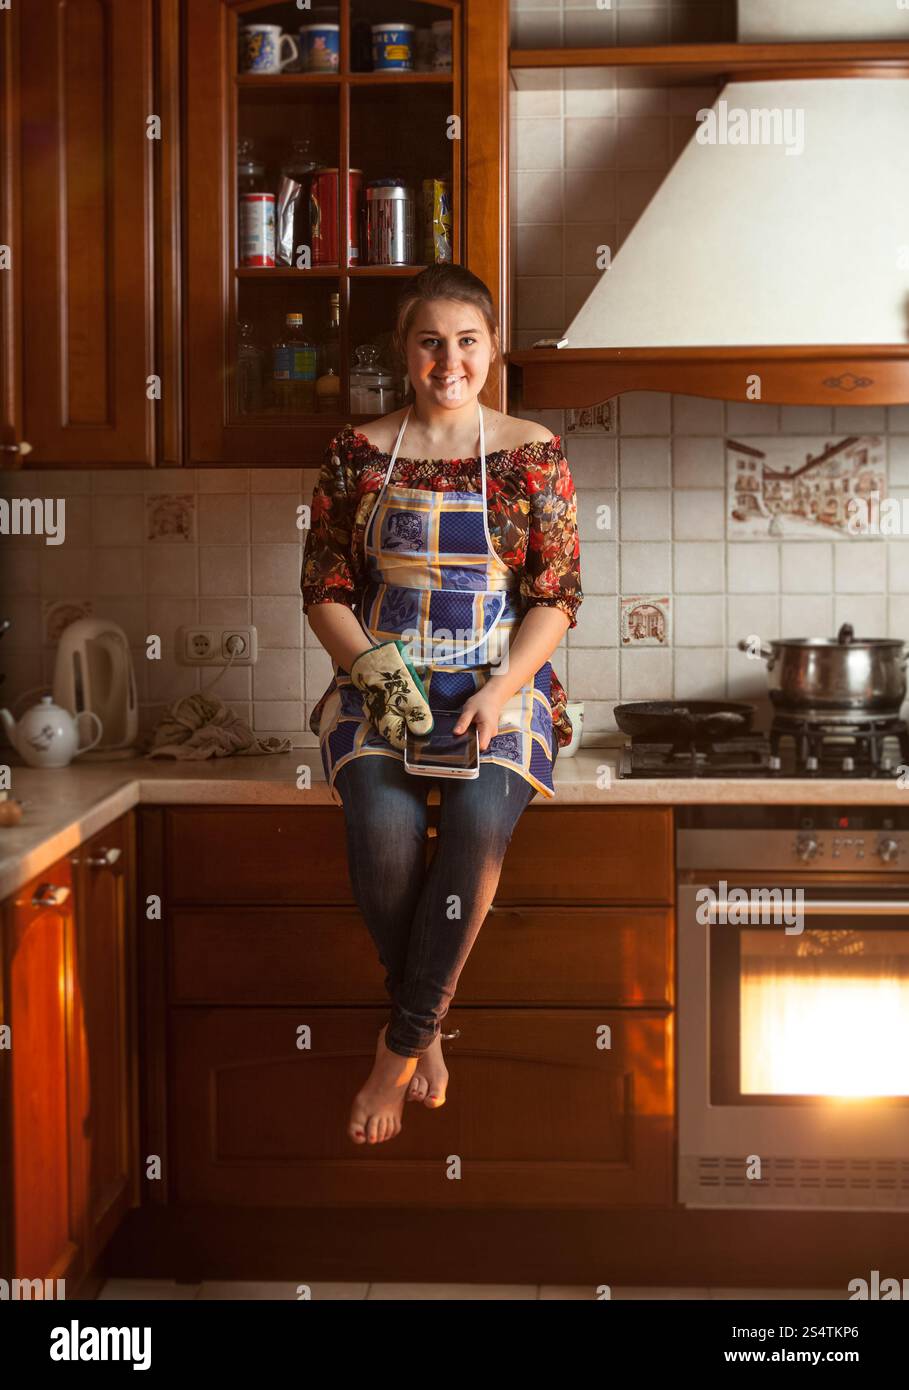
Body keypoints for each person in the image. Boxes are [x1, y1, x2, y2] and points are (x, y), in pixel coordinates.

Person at [301, 264, 583, 1146]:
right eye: (430, 341)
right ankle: (424, 1032)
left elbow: (556, 593)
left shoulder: (531, 450)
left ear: (492, 348)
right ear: (405, 350)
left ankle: (397, 1050)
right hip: (381, 679)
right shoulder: (356, 451)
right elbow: (324, 587)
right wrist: (382, 688)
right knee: (382, 838)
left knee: (472, 830)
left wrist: (503, 688)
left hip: (498, 684)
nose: (448, 359)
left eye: (467, 341)